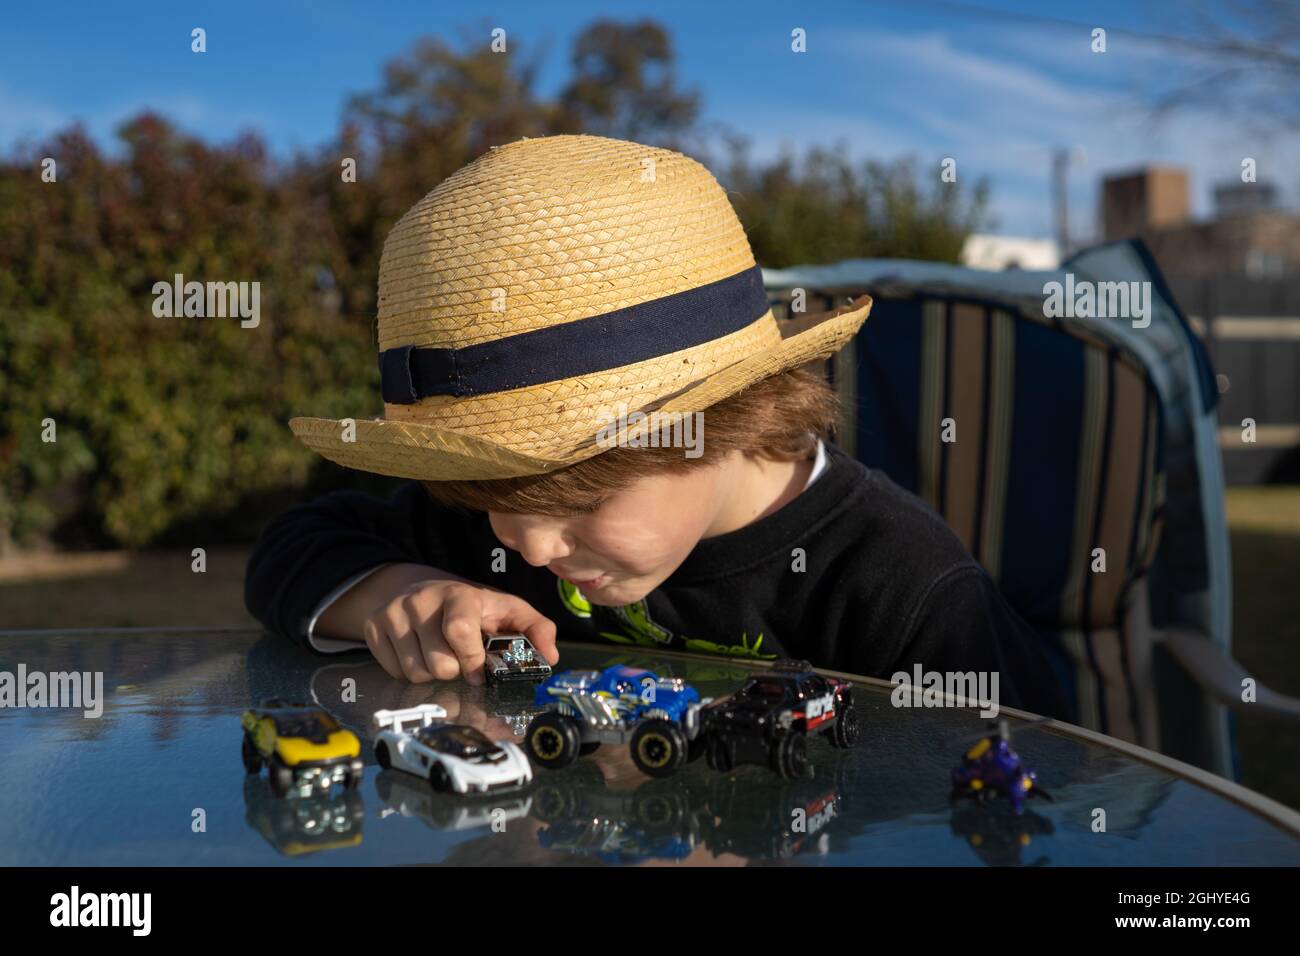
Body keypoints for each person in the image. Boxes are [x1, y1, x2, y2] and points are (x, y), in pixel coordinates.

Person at [244, 133, 1068, 720]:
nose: (529, 549)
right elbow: (295, 549)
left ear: (727, 418)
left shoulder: (902, 587)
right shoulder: (519, 528)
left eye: (572, 501)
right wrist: (398, 593)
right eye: (488, 497)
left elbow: (1028, 785)